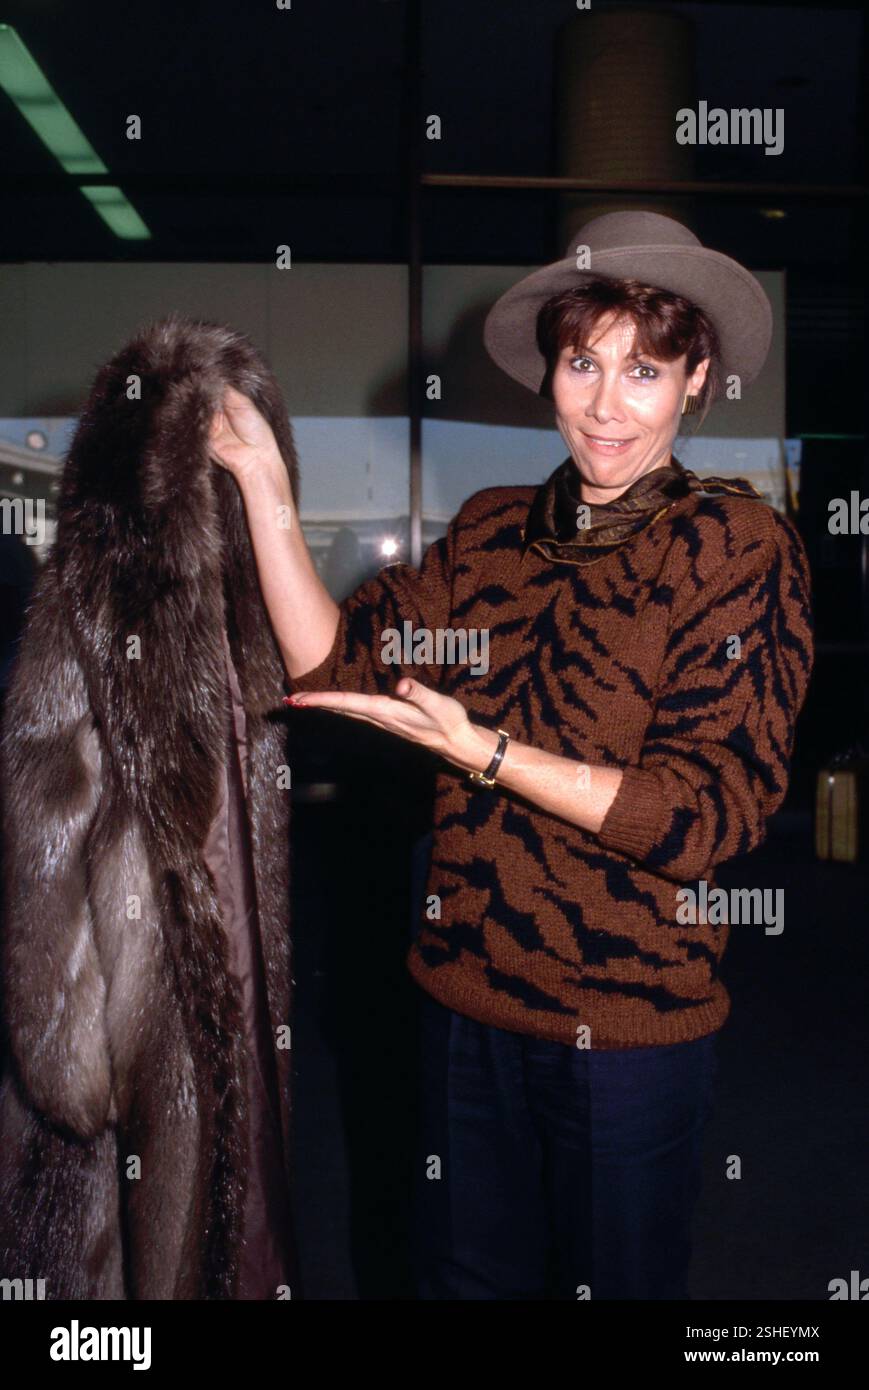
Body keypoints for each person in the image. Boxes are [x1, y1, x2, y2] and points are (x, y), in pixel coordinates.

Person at [208, 210, 814, 1300]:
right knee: (462, 1282)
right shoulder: (492, 530)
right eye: (583, 363)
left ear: (695, 381)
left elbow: (704, 815)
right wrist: (263, 486)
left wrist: (486, 753)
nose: (604, 403)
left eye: (643, 371)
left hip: (626, 1027)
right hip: (463, 1001)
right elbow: (335, 659)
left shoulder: (735, 545)